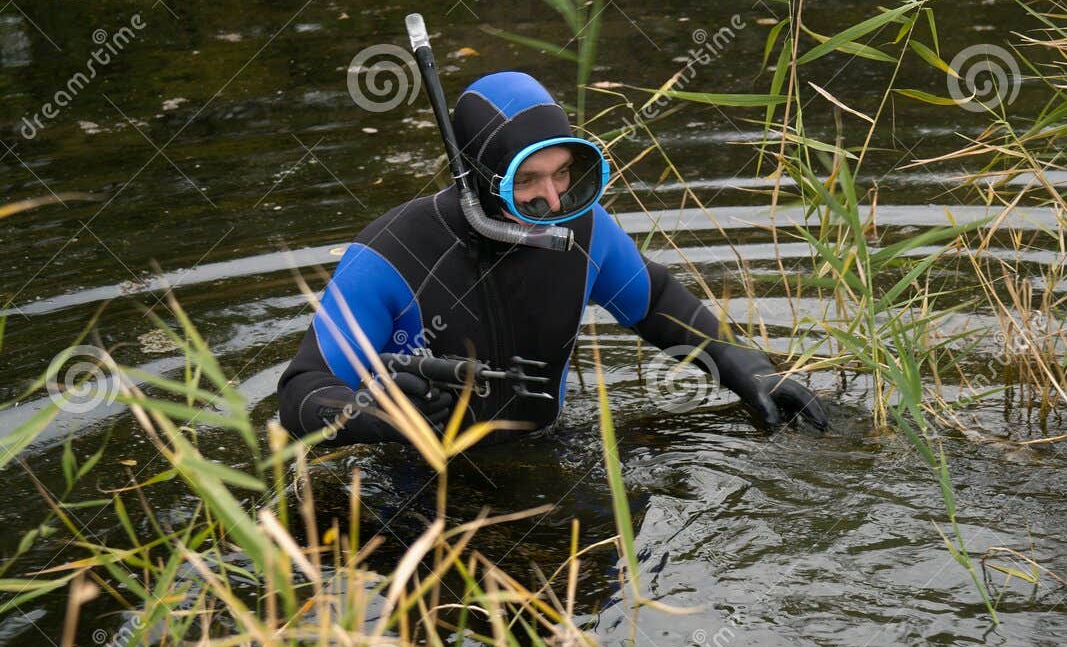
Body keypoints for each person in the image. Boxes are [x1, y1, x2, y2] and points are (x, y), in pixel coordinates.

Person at [276, 70, 827, 446]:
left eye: (563, 172)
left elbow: (654, 300)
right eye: (530, 180)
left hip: (551, 452)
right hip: (423, 482)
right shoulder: (392, 253)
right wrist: (377, 418)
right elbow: (303, 391)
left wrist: (745, 368)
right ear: (480, 179)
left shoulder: (583, 230)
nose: (554, 199)